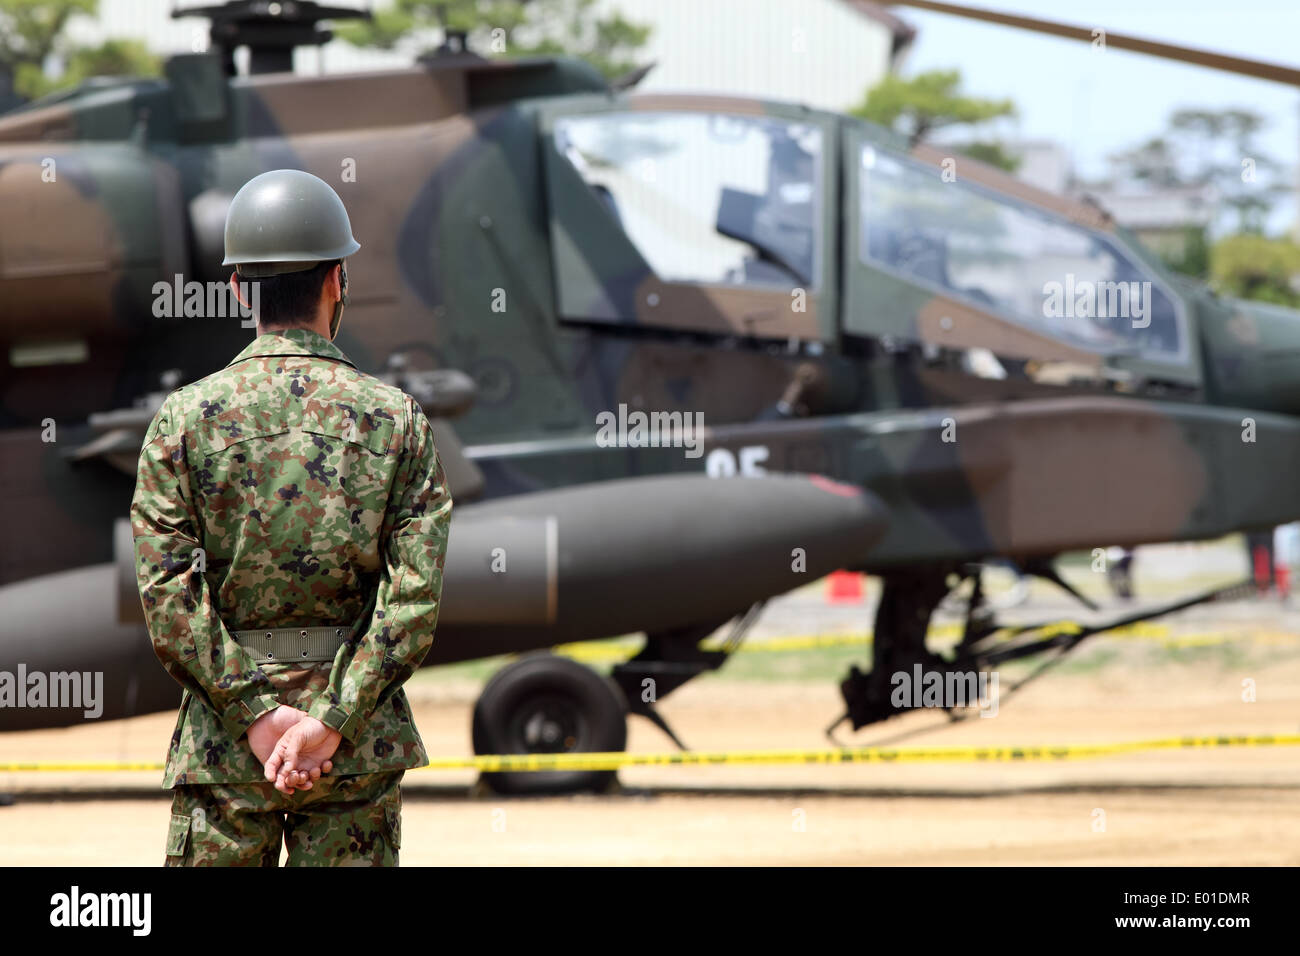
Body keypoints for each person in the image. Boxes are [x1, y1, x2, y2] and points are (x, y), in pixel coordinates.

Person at [130, 168, 452, 866]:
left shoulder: (183, 422)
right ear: (338, 279)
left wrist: (254, 716)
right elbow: (413, 600)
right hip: (354, 751)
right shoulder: (396, 421)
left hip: (225, 751)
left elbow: (167, 597)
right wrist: (332, 720)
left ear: (241, 288)